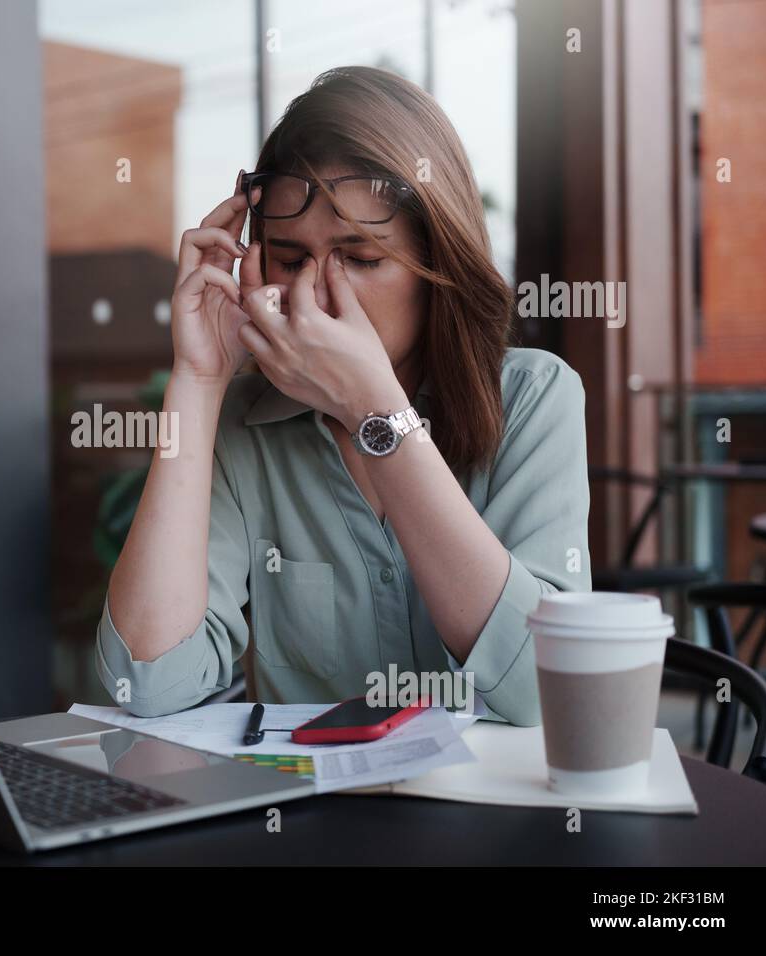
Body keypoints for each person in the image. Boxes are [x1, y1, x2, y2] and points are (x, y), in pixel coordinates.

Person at [97, 67, 590, 726]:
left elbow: (544, 689)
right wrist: (198, 379)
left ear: (437, 268)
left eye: (361, 258)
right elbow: (146, 686)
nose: (319, 294)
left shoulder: (535, 398)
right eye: (292, 259)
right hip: (312, 821)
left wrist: (375, 414)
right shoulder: (243, 428)